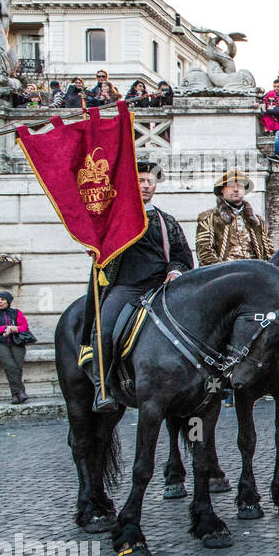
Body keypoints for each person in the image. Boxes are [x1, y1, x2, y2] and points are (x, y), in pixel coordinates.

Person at [80, 160, 194, 413]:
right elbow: (95, 240)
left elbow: (181, 254)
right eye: (140, 181)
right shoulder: (113, 217)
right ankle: (103, 389)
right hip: (126, 288)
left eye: (150, 182)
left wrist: (175, 271)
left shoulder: (167, 221)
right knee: (104, 330)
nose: (145, 186)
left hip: (162, 288)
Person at [195, 169, 274, 265]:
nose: (236, 189)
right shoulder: (208, 219)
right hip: (223, 274)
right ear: (222, 190)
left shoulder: (257, 221)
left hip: (255, 272)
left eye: (240, 186)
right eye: (231, 185)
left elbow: (269, 252)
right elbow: (205, 254)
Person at [0, 290, 31, 405]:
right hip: (0, 343)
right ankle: (20, 392)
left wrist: (14, 329)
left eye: (2, 299)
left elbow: (24, 327)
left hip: (17, 342)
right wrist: (5, 328)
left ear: (8, 301)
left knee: (17, 367)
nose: (0, 302)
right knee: (10, 367)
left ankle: (16, 396)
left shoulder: (16, 312)